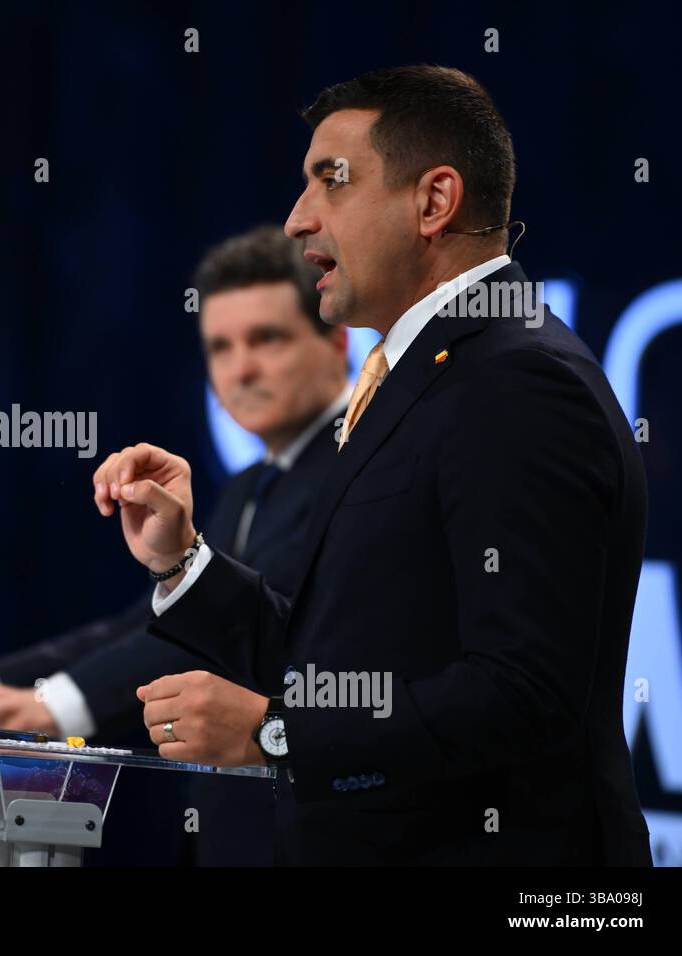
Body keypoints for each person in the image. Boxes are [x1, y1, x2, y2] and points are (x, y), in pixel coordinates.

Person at [93, 66, 652, 865]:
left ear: (433, 202)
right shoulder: (422, 373)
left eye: (332, 181)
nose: (296, 220)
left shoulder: (517, 381)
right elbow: (338, 654)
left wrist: (273, 733)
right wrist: (183, 563)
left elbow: (524, 693)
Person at [0, 225, 350, 864]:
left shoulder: (355, 466)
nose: (241, 368)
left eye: (267, 339)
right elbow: (151, 625)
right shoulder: (253, 482)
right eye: (220, 348)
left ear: (336, 339)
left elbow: (245, 627)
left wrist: (54, 705)